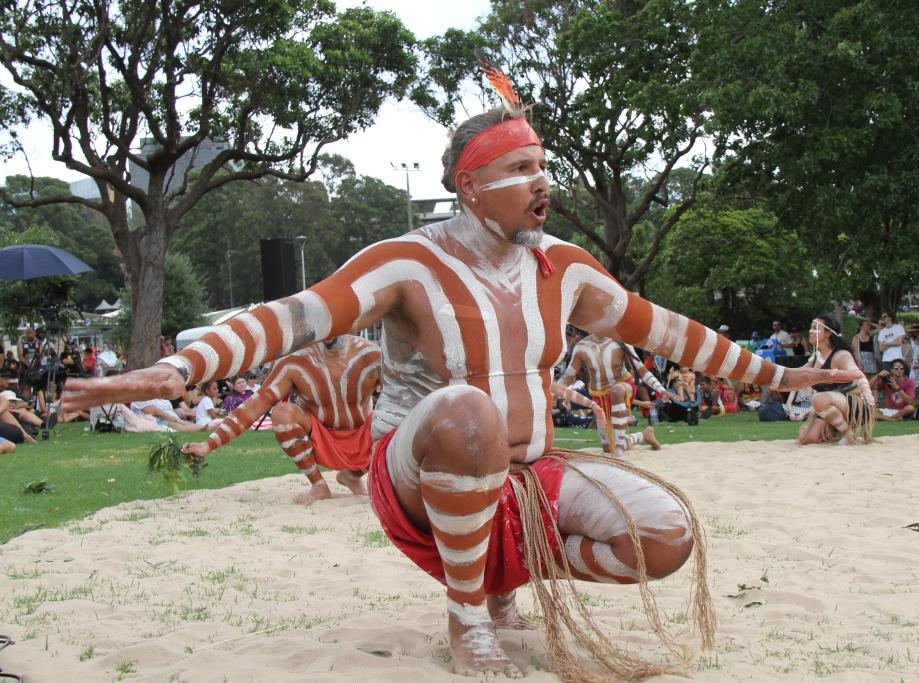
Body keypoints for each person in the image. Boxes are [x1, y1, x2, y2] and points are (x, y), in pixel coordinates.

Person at [62, 60, 863, 678]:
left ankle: (509, 573)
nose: (542, 182)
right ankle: (467, 612)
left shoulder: (565, 268)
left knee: (664, 535)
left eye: (543, 165)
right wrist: (182, 368)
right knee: (469, 410)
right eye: (520, 169)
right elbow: (296, 315)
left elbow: (673, 333)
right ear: (470, 187)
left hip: (528, 479)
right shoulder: (408, 261)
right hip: (418, 469)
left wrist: (787, 377)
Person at [182, 336, 382, 503]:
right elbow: (254, 407)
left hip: (364, 434)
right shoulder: (294, 363)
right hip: (319, 433)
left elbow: (398, 400)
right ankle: (318, 484)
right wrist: (207, 445)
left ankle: (352, 475)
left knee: (394, 421)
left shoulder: (372, 355)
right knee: (282, 413)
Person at [558, 334, 668, 455]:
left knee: (616, 390)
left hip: (623, 386)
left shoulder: (621, 341)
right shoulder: (581, 347)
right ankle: (643, 436)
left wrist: (661, 390)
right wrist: (550, 392)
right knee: (608, 448)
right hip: (599, 396)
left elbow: (641, 370)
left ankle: (620, 449)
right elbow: (568, 375)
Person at [794, 314, 875, 445]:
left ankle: (848, 434)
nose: (810, 331)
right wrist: (771, 373)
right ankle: (836, 432)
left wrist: (867, 391)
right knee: (809, 438)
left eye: (815, 328)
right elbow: (795, 375)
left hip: (855, 405)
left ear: (828, 333)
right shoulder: (814, 359)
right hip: (830, 405)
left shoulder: (841, 355)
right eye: (811, 328)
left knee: (818, 398)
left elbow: (857, 374)